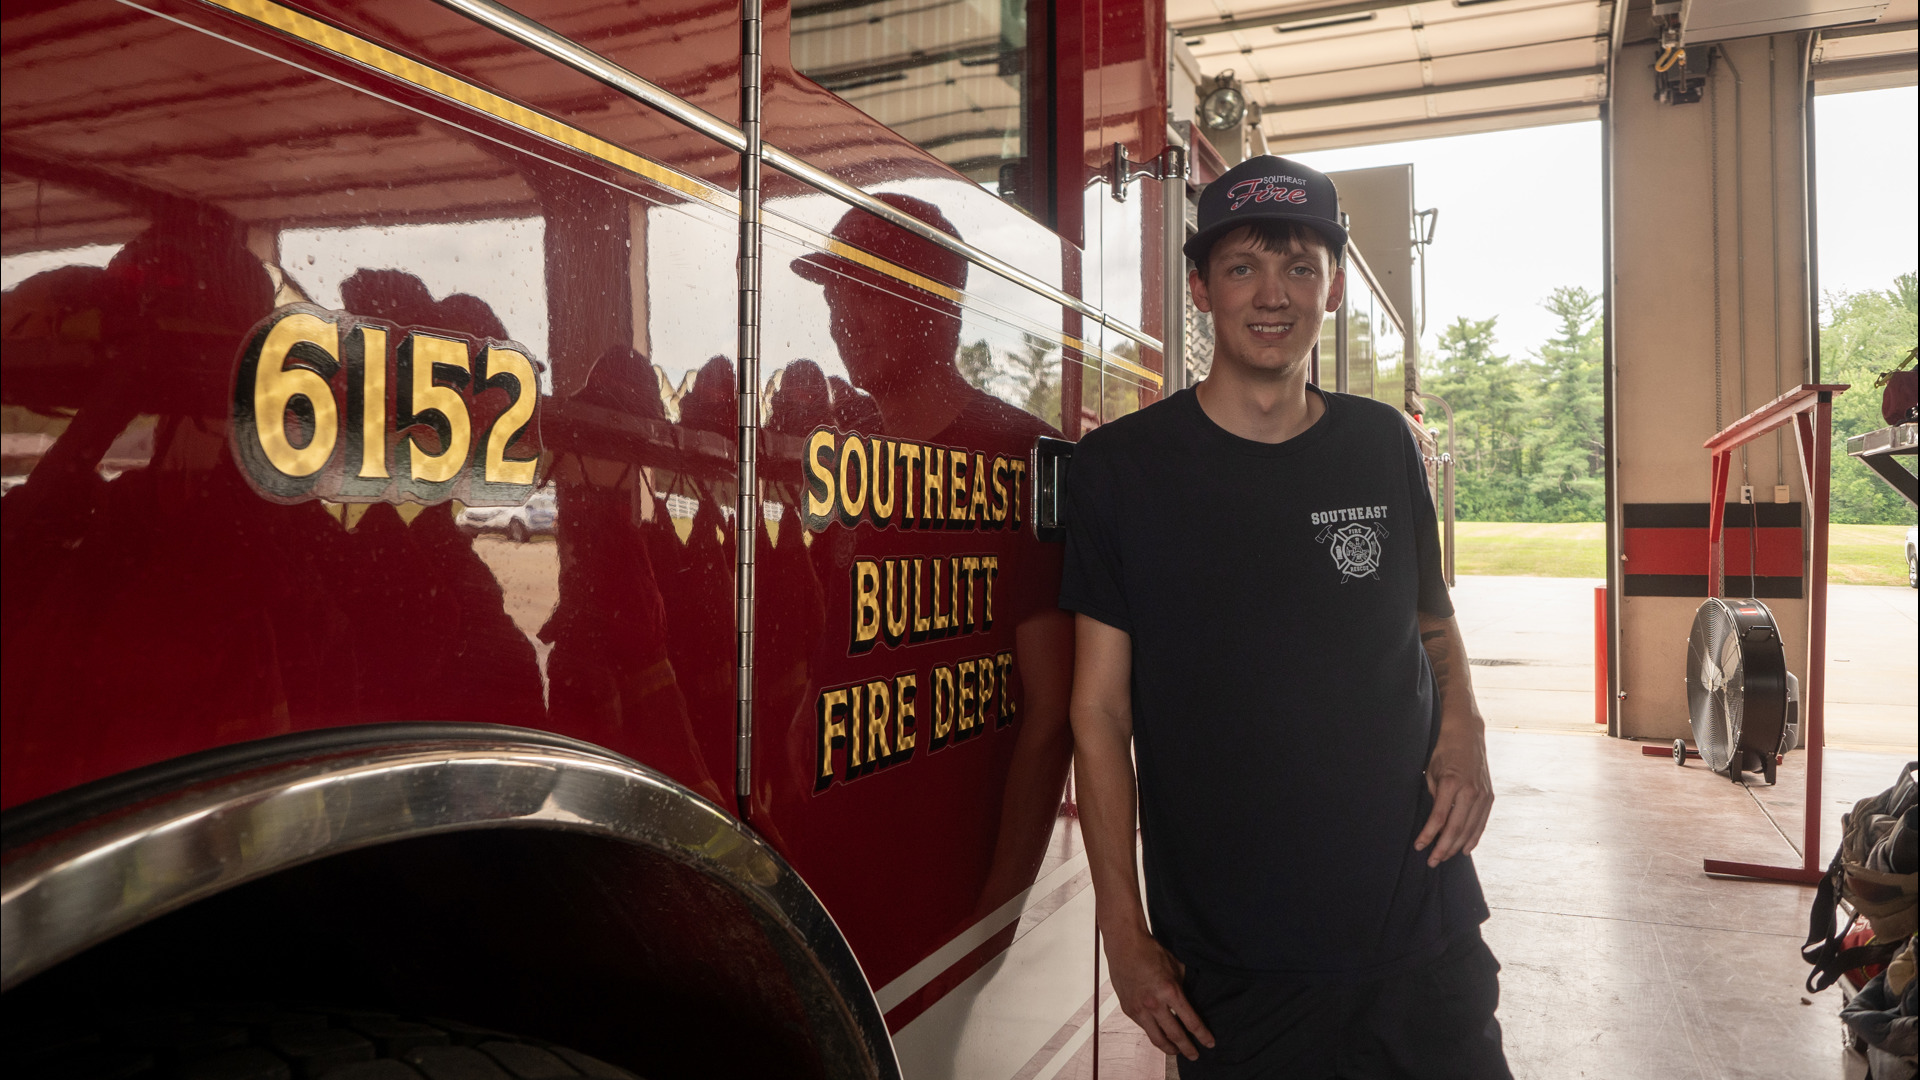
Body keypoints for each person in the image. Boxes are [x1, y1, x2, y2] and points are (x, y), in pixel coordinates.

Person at [1060, 155, 1509, 1079]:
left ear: (1331, 287)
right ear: (1200, 288)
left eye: (1299, 266)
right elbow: (1098, 714)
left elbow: (1432, 623)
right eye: (1242, 268)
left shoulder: (1383, 444)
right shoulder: (1120, 472)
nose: (1274, 295)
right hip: (1237, 972)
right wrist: (1124, 933)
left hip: (1421, 936)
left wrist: (1464, 728)